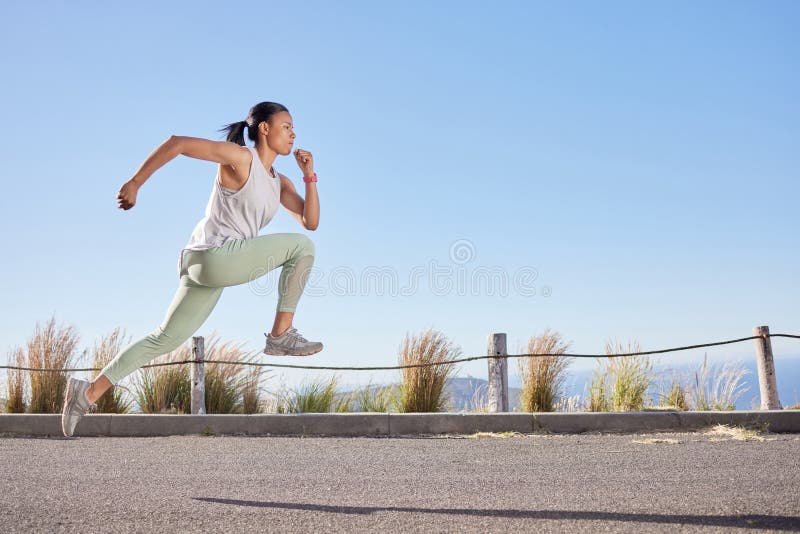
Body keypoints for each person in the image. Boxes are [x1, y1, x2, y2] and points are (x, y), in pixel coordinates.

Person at [61, 101, 322, 437]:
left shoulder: (280, 182)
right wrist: (136, 182)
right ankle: (280, 334)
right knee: (302, 248)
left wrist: (309, 176)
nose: (293, 133)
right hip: (216, 256)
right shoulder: (241, 158)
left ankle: (87, 392)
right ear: (264, 128)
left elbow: (309, 220)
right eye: (286, 126)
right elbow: (177, 143)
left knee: (163, 338)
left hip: (203, 265)